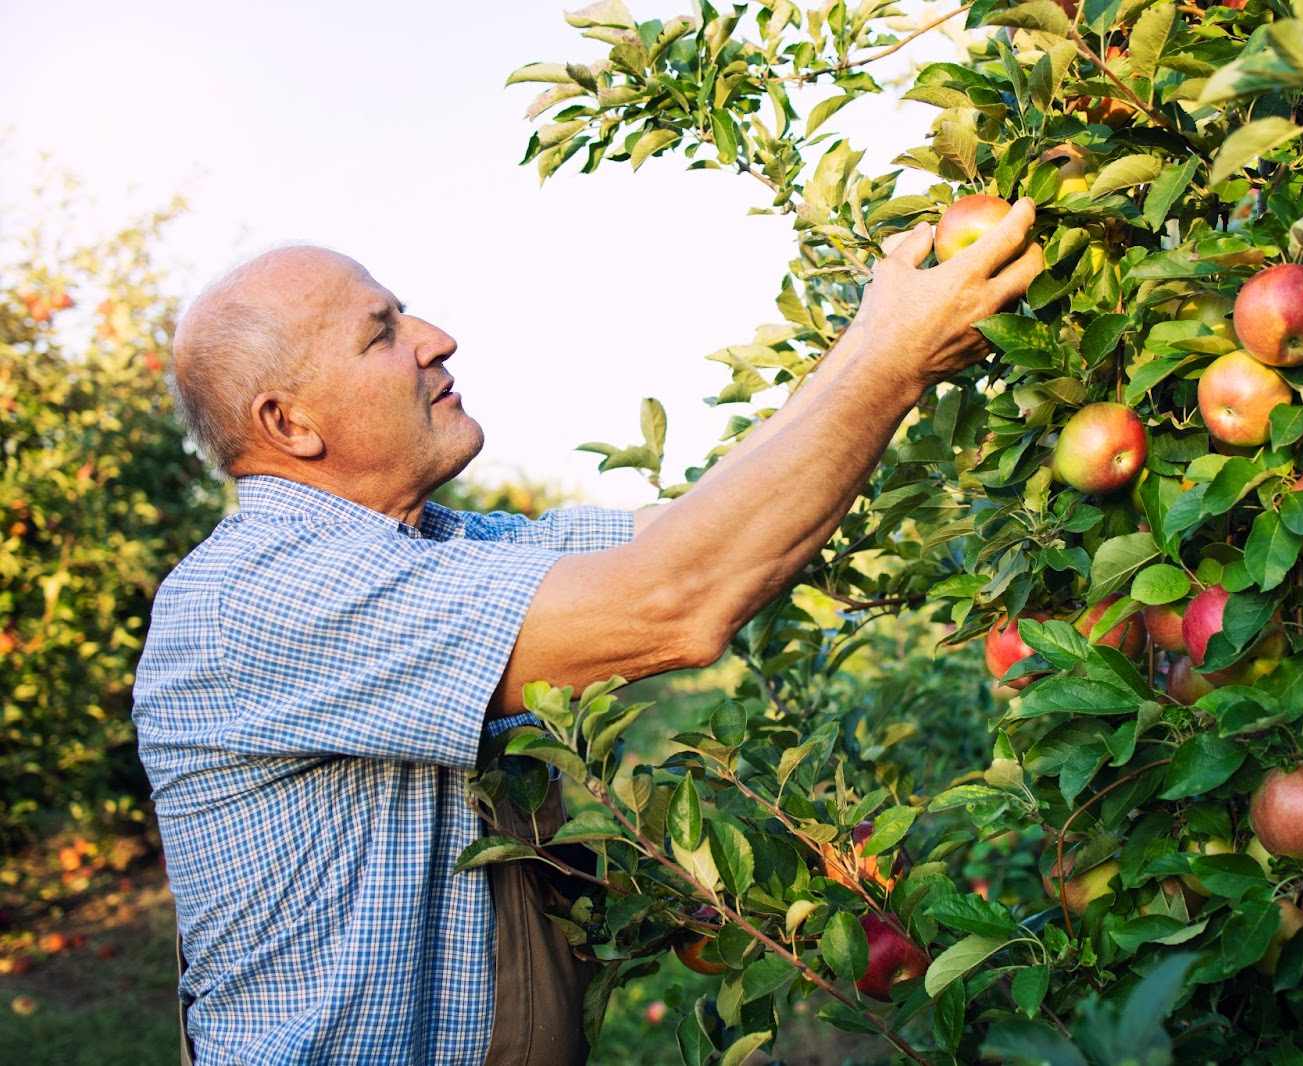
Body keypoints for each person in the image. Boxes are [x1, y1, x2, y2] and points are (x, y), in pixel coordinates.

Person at [133, 202, 1042, 1065]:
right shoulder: (253, 598)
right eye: (382, 332)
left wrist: (877, 336)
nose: (435, 339)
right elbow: (673, 601)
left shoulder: (437, 547)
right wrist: (895, 359)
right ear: (289, 424)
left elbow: (683, 534)